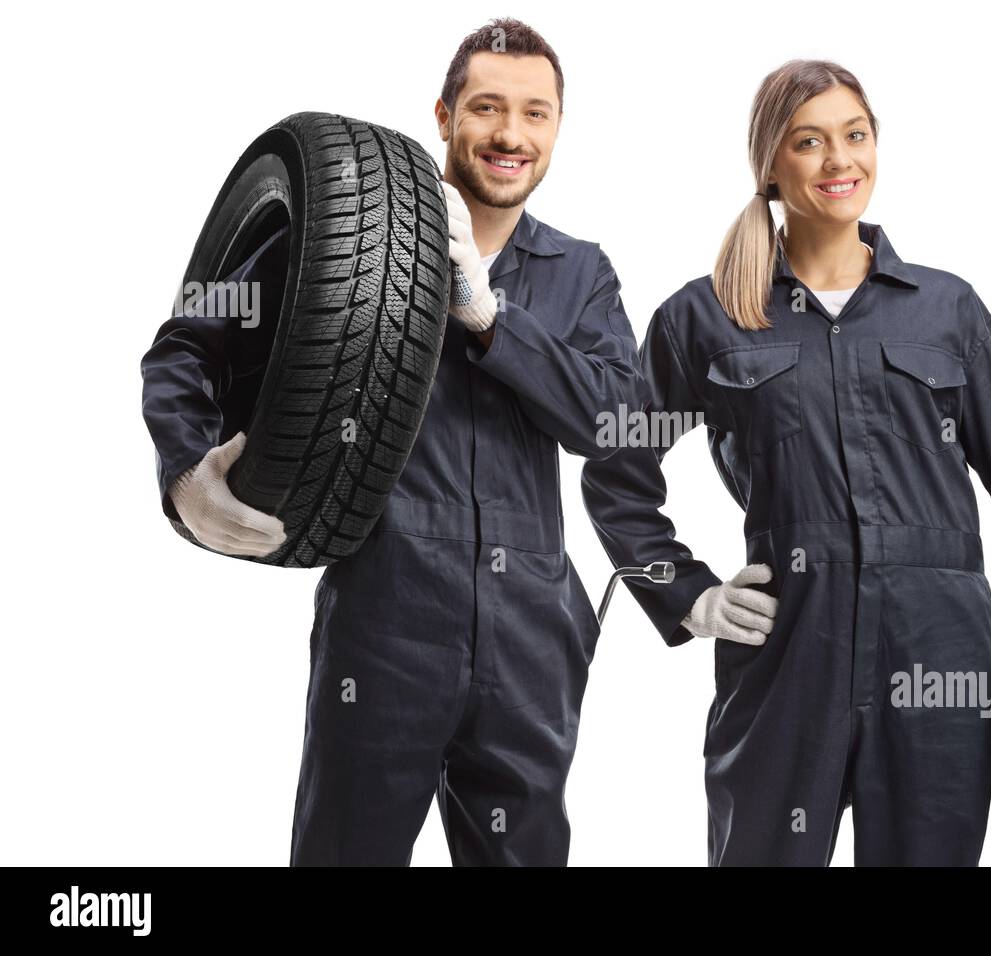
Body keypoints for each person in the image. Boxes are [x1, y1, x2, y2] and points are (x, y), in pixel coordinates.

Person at [580, 59, 991, 866]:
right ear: (771, 164)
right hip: (787, 654)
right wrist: (691, 598)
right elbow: (618, 472)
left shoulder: (944, 309)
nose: (838, 161)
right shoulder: (706, 316)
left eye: (854, 136)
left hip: (938, 657)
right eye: (809, 142)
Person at [140, 18, 644, 866]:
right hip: (388, 614)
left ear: (557, 127)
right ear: (443, 116)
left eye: (536, 114)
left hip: (533, 630)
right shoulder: (338, 235)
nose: (510, 135)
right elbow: (189, 345)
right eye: (486, 108)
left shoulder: (580, 271)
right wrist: (187, 474)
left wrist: (489, 316)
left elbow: (614, 423)